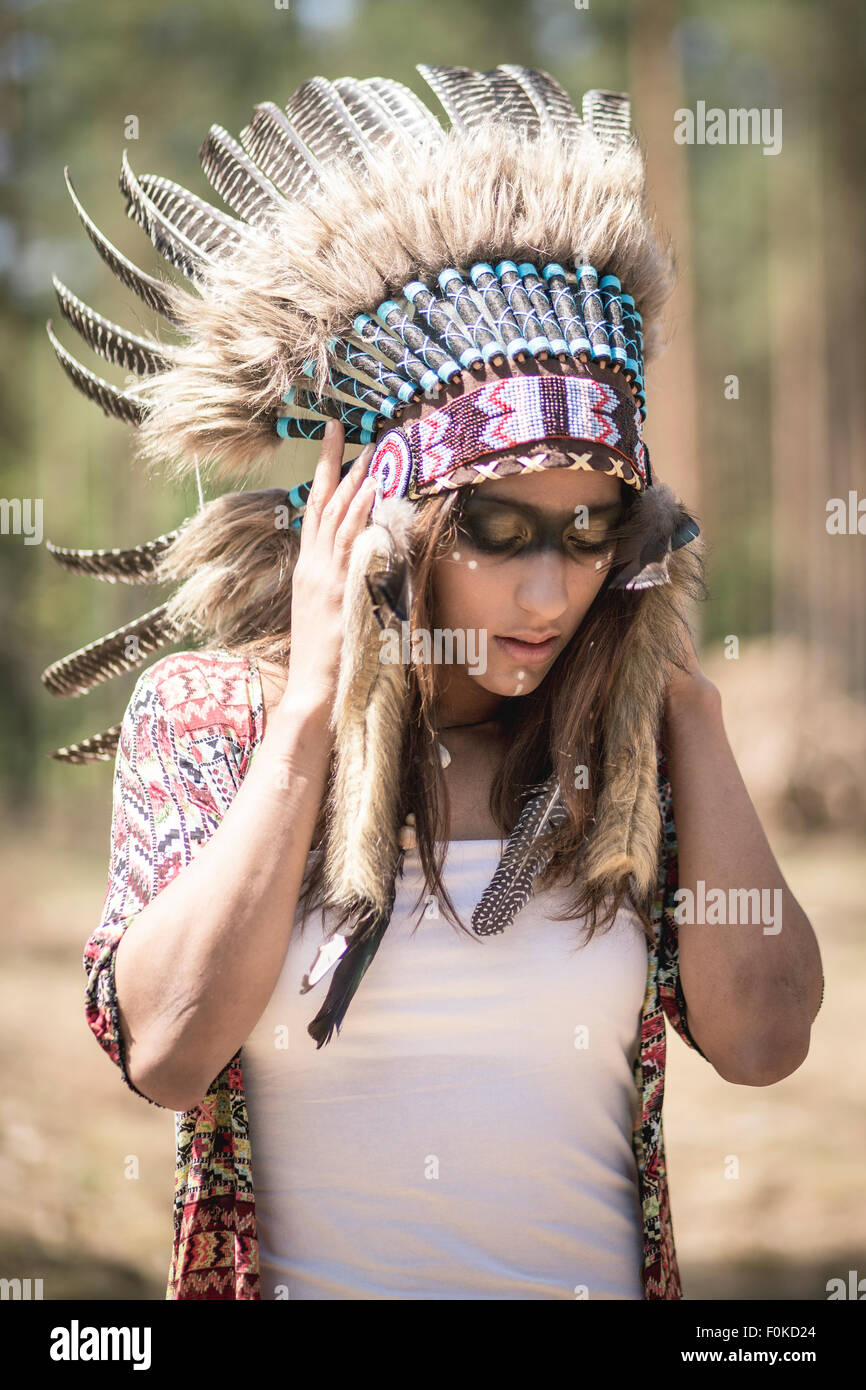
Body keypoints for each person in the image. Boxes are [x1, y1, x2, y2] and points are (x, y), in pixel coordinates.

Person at [44, 64, 824, 1300]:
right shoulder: (214, 717)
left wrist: (684, 705)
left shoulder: (627, 751)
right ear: (385, 528)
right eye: (499, 529)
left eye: (589, 532)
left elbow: (766, 1040)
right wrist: (307, 720)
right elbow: (167, 1050)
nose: (547, 594)